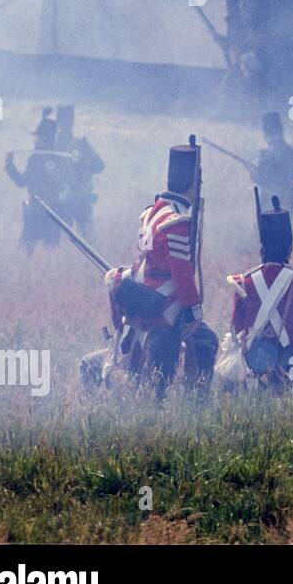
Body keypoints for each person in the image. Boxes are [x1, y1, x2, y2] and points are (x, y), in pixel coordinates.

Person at [80, 141, 218, 398]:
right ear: (193, 183)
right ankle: (197, 400)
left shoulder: (152, 212)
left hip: (146, 296)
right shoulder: (177, 221)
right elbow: (182, 274)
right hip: (164, 308)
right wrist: (193, 311)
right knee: (207, 341)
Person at [216, 191, 293, 390]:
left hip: (253, 362)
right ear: (289, 248)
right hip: (291, 361)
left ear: (261, 249)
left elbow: (237, 326)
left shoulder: (243, 281)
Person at [4, 107, 68, 253]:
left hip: (51, 211)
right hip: (36, 210)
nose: (36, 140)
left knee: (49, 251)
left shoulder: (56, 159)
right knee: (27, 249)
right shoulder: (37, 158)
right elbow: (22, 183)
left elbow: (61, 185)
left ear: (47, 139)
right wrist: (9, 164)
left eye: (39, 137)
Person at [53, 104, 104, 238]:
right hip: (61, 198)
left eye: (71, 118)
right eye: (65, 118)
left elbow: (99, 165)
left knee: (88, 238)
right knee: (62, 238)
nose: (69, 122)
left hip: (81, 197)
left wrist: (85, 165)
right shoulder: (52, 146)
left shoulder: (80, 143)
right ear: (58, 120)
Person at [252, 112, 293, 212]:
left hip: (269, 202)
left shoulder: (265, 155)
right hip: (287, 201)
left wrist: (253, 173)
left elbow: (262, 179)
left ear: (266, 135)